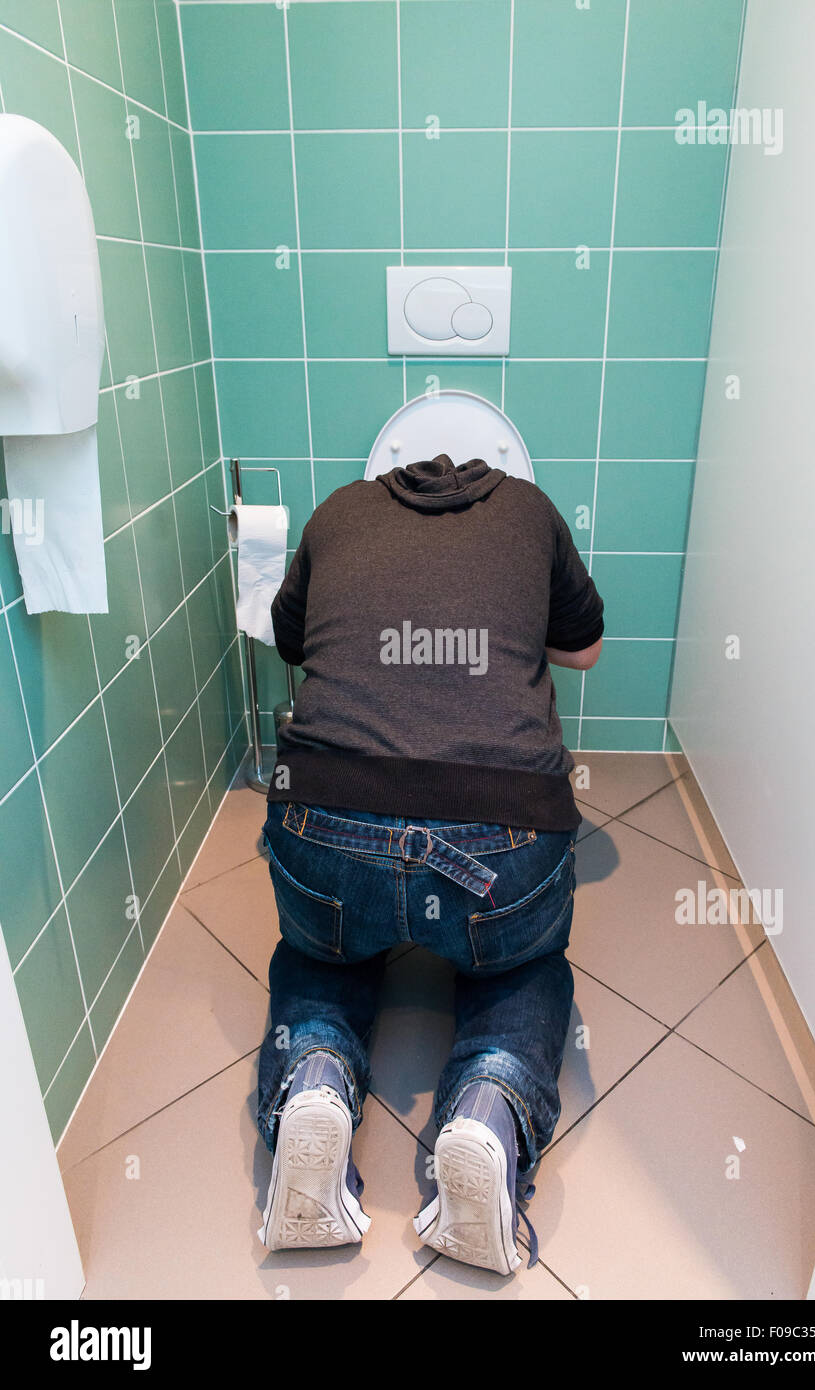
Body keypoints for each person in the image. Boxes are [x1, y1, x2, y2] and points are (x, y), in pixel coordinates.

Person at [256, 453, 604, 1276]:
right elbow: (584, 652)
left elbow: (289, 642)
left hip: (325, 821)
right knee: (522, 972)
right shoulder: (530, 508)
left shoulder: (338, 509)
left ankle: (314, 1078)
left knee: (318, 955)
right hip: (501, 840)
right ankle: (490, 1104)